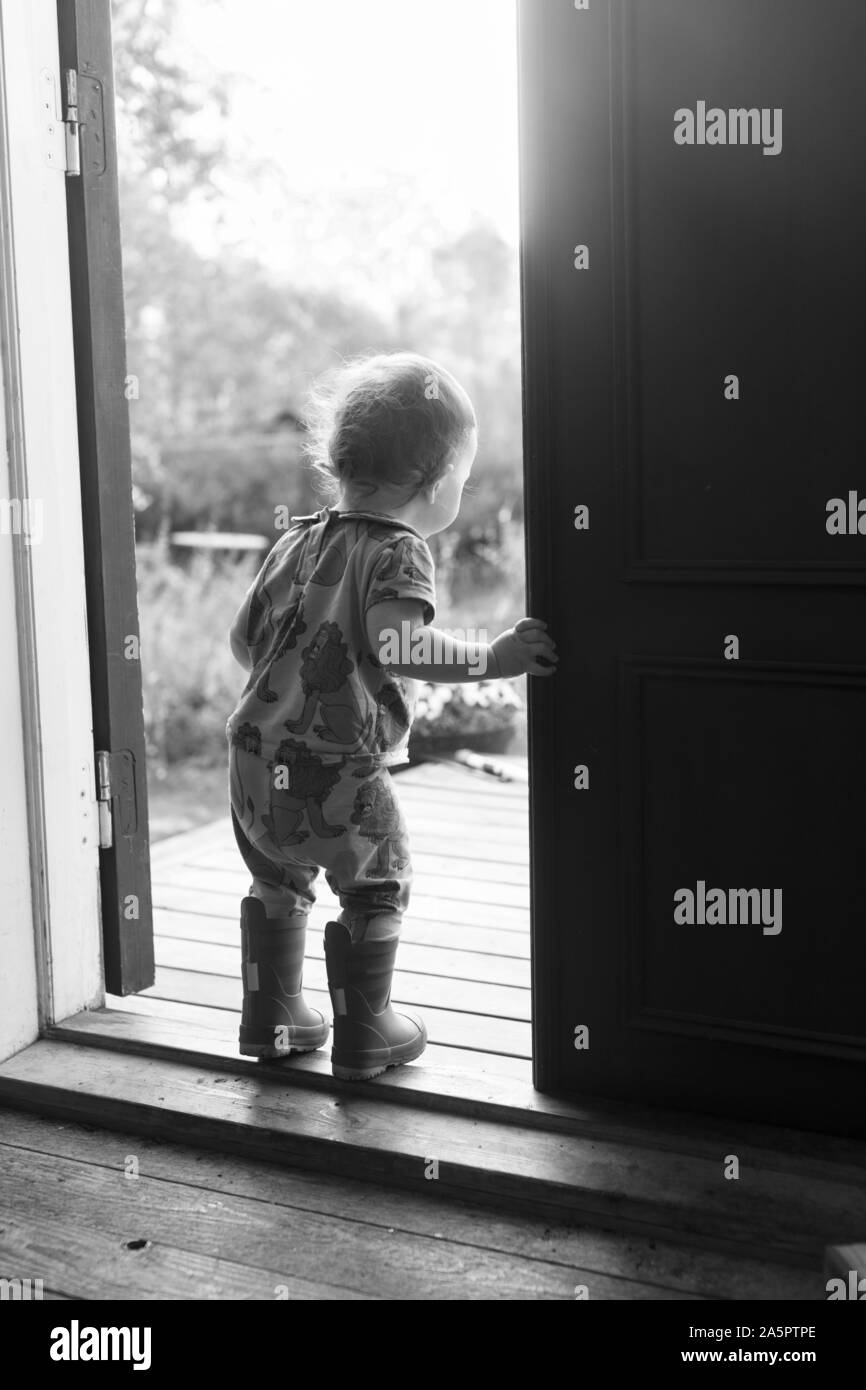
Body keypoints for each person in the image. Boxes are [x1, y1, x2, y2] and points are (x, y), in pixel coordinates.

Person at [226, 352, 557, 1080]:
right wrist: (493, 658)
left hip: (252, 758)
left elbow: (242, 640)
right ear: (437, 485)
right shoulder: (396, 549)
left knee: (277, 881)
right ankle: (366, 1030)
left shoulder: (296, 540)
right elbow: (399, 643)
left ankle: (272, 1017)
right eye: (463, 482)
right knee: (378, 881)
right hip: (338, 766)